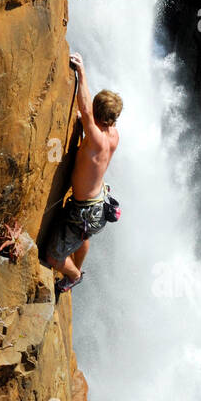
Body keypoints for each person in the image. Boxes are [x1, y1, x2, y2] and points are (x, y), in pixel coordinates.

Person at [45, 51, 122, 292]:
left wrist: (81, 71)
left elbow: (86, 110)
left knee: (52, 258)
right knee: (82, 238)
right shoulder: (112, 136)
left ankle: (73, 275)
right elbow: (89, 117)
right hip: (97, 207)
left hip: (86, 211)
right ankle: (76, 262)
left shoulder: (97, 139)